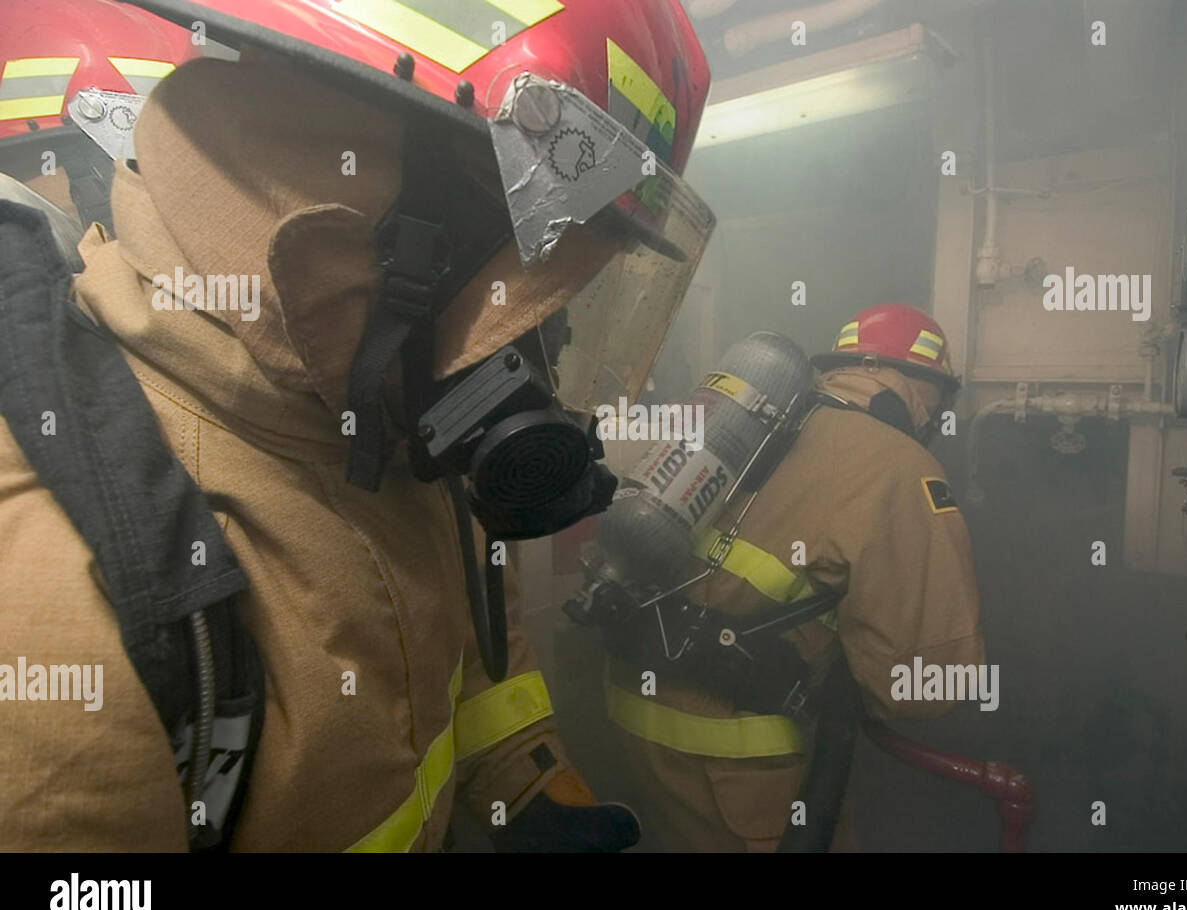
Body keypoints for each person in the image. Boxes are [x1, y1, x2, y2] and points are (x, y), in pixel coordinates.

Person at [0, 0, 714, 852]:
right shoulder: (60, 607)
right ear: (356, 240)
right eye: (528, 289)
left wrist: (526, 780)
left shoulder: (385, 413)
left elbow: (466, 643)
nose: (532, 349)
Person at [603, 305, 986, 852]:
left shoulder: (757, 420)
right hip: (737, 767)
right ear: (924, 388)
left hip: (629, 724)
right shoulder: (901, 465)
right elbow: (924, 682)